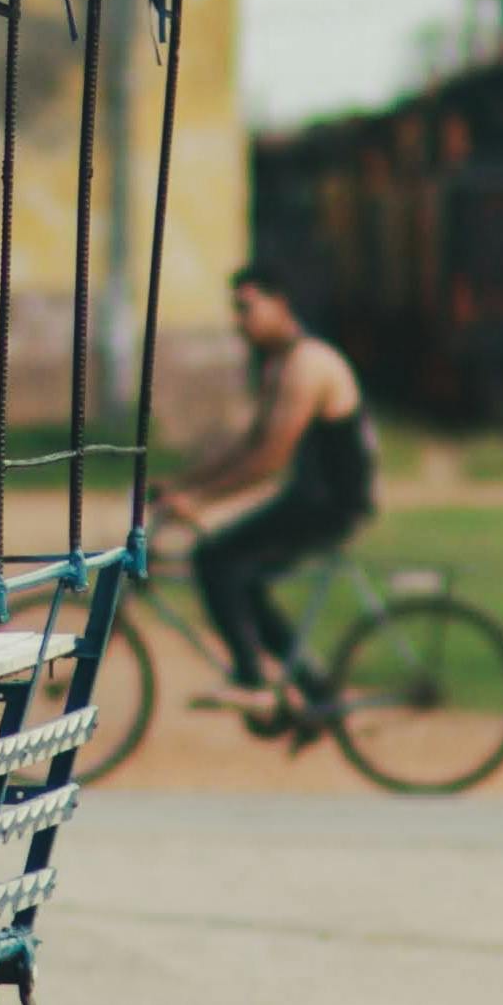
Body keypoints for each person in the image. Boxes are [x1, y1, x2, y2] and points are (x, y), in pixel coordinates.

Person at [158, 262, 374, 716]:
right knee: (245, 578)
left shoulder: (308, 364)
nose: (240, 321)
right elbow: (247, 446)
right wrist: (182, 484)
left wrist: (197, 501)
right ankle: (316, 693)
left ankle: (252, 681)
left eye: (247, 308)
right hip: (311, 500)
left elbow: (268, 460)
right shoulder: (280, 364)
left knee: (214, 559)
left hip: (330, 506)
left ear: (281, 304)